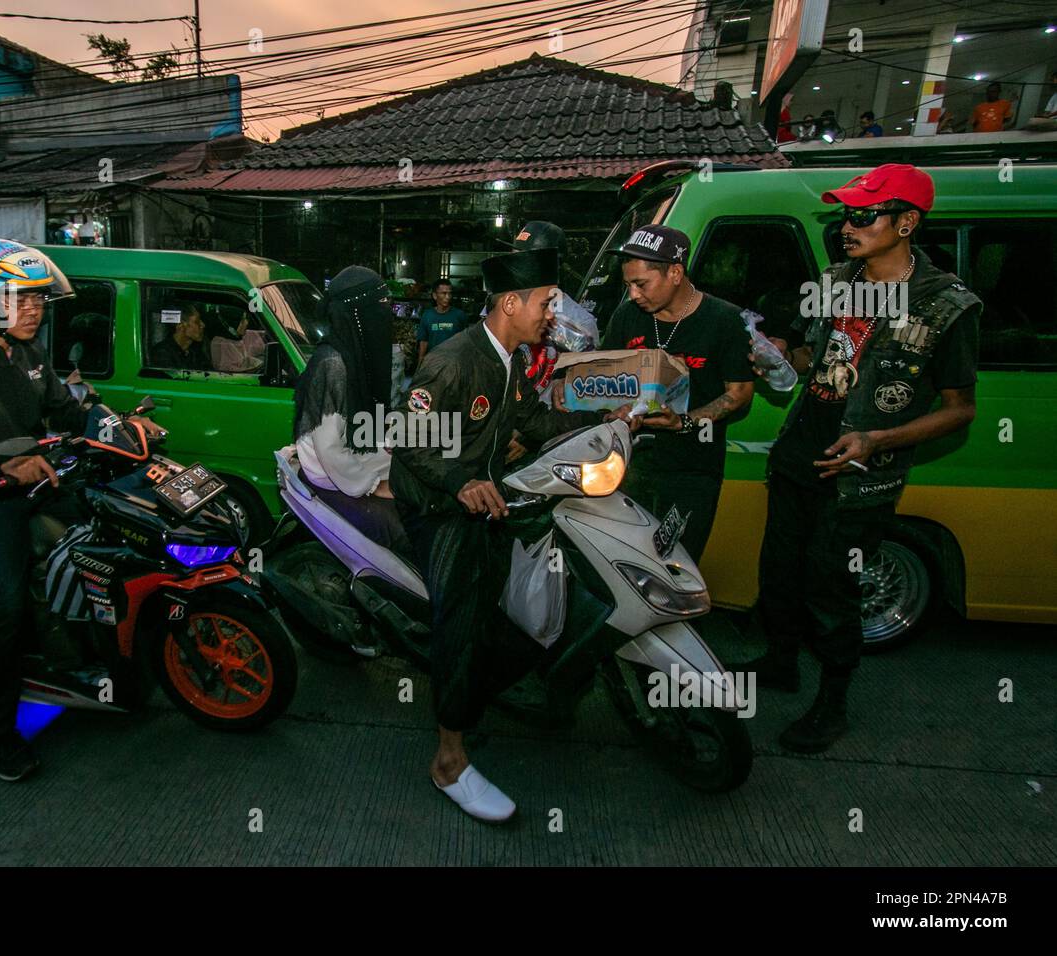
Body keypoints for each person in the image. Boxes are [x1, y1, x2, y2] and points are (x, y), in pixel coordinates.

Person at [740, 164, 980, 753]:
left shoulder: (947, 306)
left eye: (865, 215)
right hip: (801, 452)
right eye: (848, 214)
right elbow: (805, 356)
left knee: (833, 585)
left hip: (859, 475)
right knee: (781, 570)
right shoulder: (835, 280)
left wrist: (876, 441)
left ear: (907, 223)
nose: (850, 225)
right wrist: (777, 354)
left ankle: (832, 703)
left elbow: (960, 410)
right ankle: (780, 661)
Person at [0, 238, 161, 782]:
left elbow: (65, 410)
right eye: (19, 299)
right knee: (6, 605)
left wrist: (121, 427)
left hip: (39, 480)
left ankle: (87, 662)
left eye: (38, 300)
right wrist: (7, 461)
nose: (34, 310)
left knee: (101, 552)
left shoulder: (25, 351)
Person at [390, 247, 627, 822]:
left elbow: (533, 421)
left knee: (524, 602)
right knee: (464, 616)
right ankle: (448, 759)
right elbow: (408, 441)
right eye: (547, 302)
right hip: (440, 504)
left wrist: (608, 417)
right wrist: (461, 483)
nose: (552, 313)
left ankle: (480, 691)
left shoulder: (513, 358)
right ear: (511, 302)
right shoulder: (450, 362)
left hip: (489, 492)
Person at [565, 225, 755, 563]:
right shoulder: (628, 316)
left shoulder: (725, 321)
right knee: (626, 564)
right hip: (630, 465)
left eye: (641, 284)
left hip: (691, 469)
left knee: (676, 564)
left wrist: (683, 422)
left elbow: (739, 394)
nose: (634, 295)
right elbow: (610, 380)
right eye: (628, 286)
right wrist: (617, 410)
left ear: (676, 273)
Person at [293, 266, 407, 552]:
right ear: (358, 313)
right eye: (381, 305)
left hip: (354, 454)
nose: (387, 313)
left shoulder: (357, 354)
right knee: (403, 525)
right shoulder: (333, 364)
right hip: (331, 471)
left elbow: (361, 418)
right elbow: (329, 449)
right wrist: (371, 487)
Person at [415, 278, 466, 365]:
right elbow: (423, 342)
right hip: (432, 363)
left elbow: (464, 342)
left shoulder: (459, 315)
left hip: (453, 364)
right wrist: (420, 365)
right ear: (435, 295)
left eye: (450, 293)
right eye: (444, 293)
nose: (447, 297)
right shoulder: (427, 315)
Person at [148, 305, 212, 372]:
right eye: (197, 322)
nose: (203, 325)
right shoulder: (162, 354)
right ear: (180, 326)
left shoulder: (195, 352)